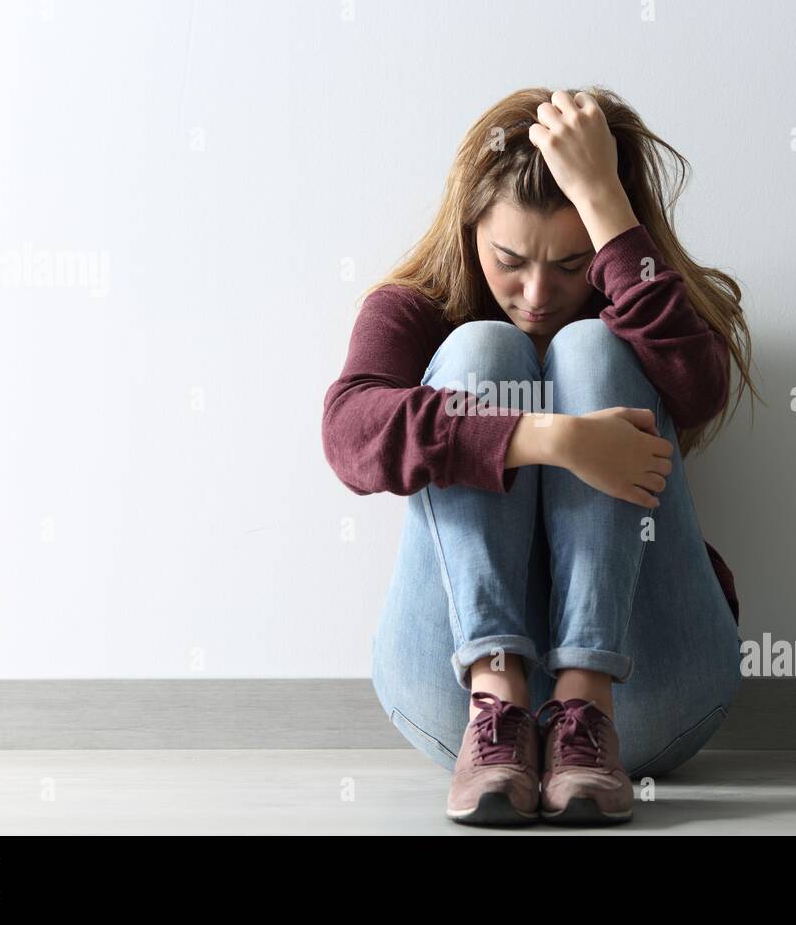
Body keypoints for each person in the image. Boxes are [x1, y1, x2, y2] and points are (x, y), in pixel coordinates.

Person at [322, 86, 760, 826]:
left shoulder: (636, 300)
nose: (536, 293)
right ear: (470, 233)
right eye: (510, 259)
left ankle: (585, 705)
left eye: (571, 264)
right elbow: (348, 432)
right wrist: (552, 437)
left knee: (590, 344)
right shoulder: (416, 308)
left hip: (650, 692)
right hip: (454, 701)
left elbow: (699, 387)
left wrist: (604, 198)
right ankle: (500, 700)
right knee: (480, 348)